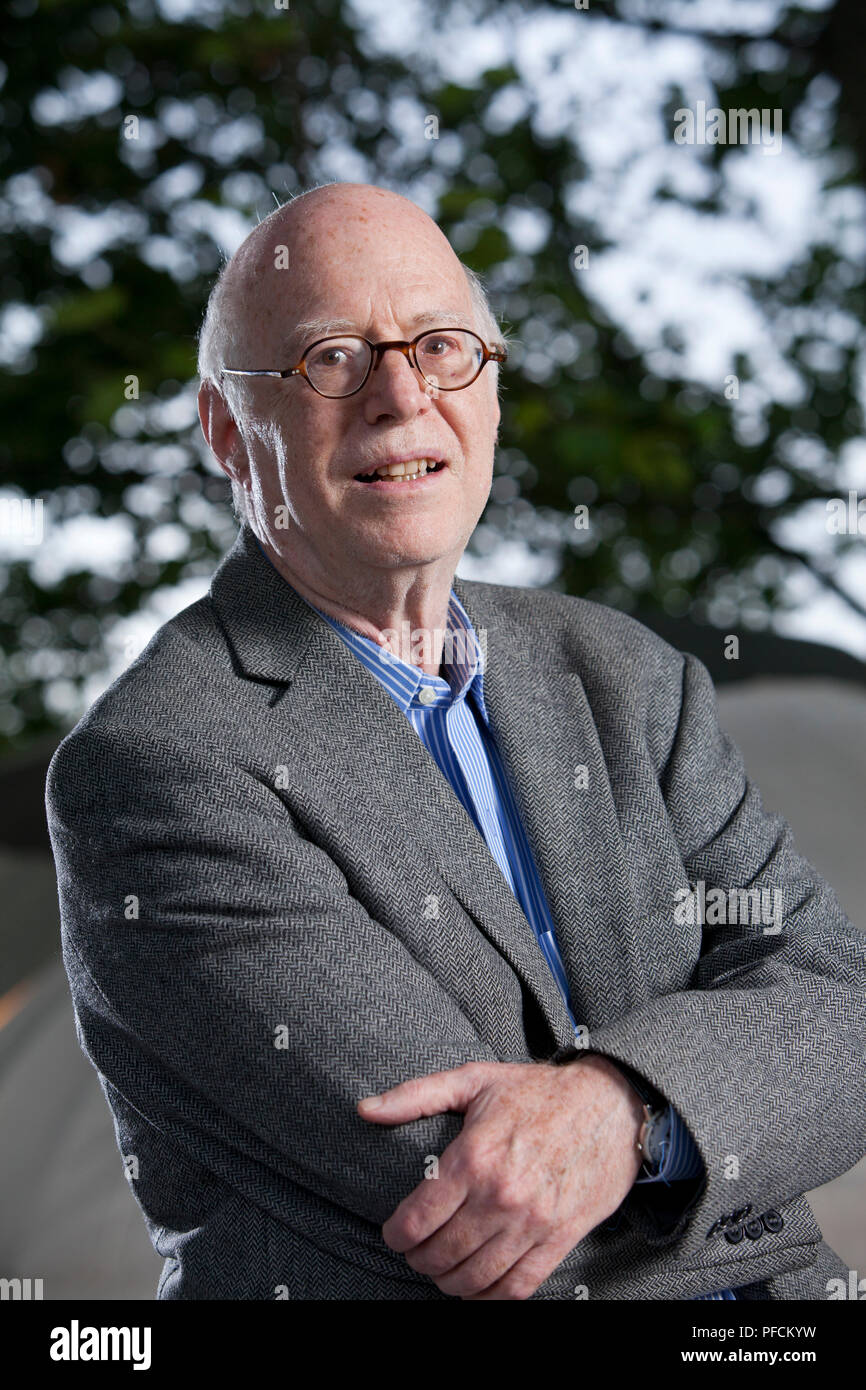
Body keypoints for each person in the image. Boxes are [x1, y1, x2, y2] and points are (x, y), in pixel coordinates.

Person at [46, 182, 866, 1300]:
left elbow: (843, 1003)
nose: (399, 398)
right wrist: (732, 1143)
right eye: (330, 359)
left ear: (487, 393)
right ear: (230, 432)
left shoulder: (625, 676)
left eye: (440, 347)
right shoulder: (158, 763)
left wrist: (626, 1107)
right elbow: (472, 1196)